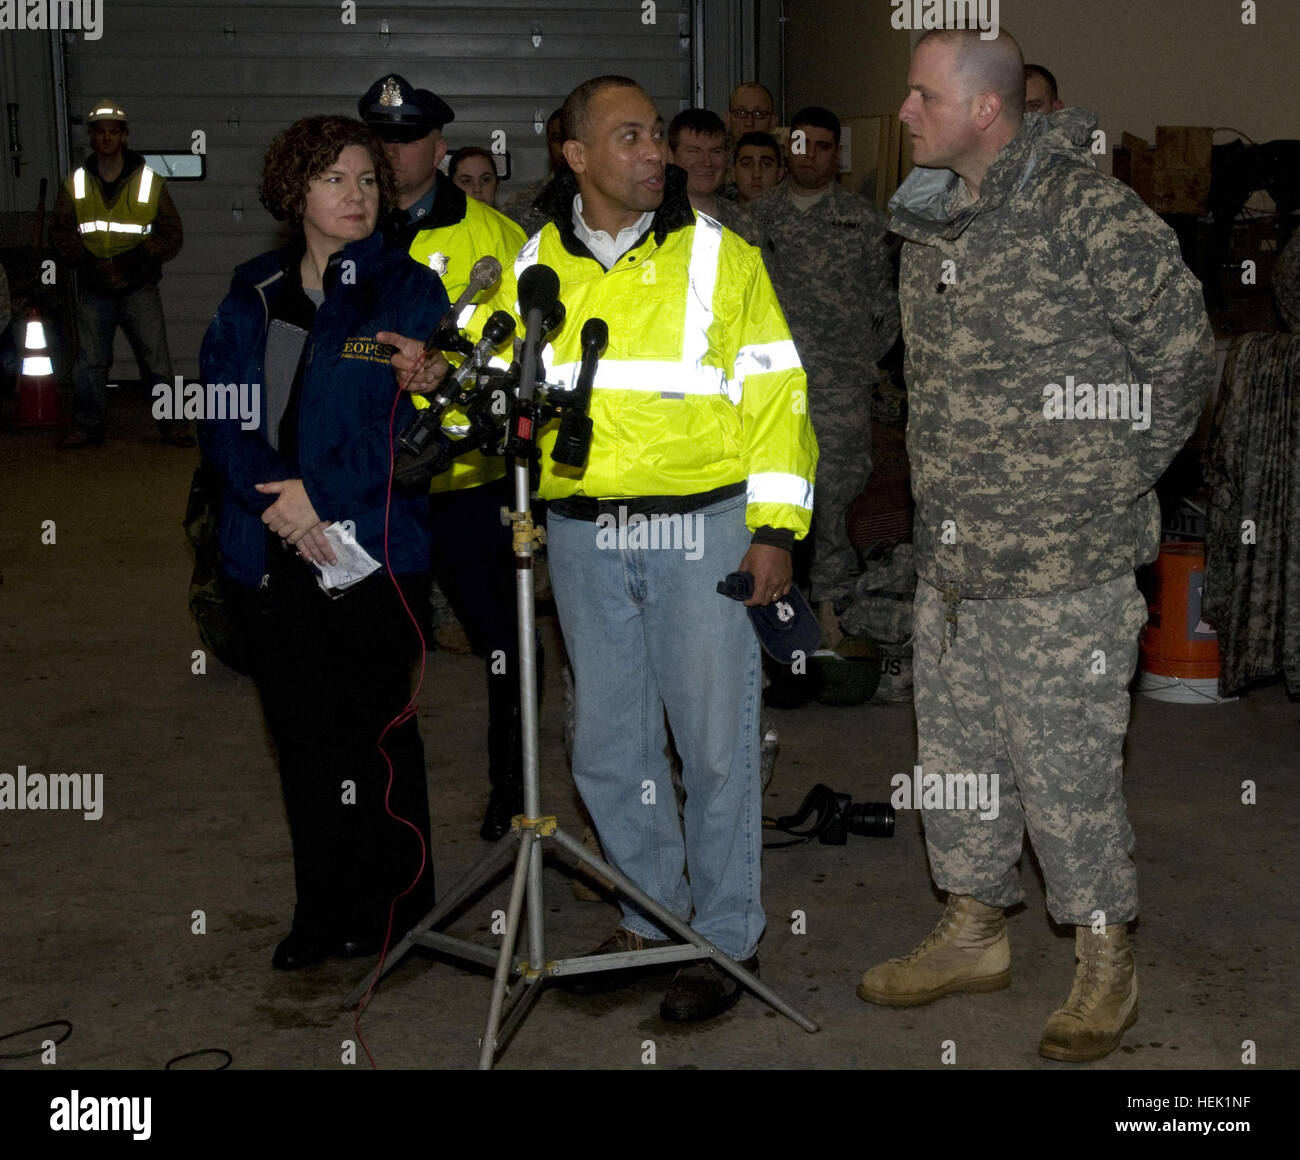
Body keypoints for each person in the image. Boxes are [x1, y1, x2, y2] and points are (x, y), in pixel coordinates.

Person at [856, 28, 1215, 1063]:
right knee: (956, 760)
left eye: (923, 97)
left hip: (1063, 566)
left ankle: (1105, 954)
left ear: (985, 110)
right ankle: (973, 926)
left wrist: (1106, 477)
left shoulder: (1084, 209)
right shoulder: (928, 219)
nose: (906, 114)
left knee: (1066, 770)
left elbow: (1182, 352)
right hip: (958, 559)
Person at [470, 75, 817, 1022]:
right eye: (630, 137)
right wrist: (431, 376)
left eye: (657, 134)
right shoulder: (534, 263)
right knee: (609, 746)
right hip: (582, 537)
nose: (657, 152)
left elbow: (778, 401)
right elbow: (482, 388)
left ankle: (726, 937)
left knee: (713, 746)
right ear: (575, 157)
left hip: (701, 530)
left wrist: (776, 532)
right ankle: (652, 915)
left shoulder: (724, 258)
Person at [197, 115, 451, 970]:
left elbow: (405, 430)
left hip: (371, 549)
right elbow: (224, 414)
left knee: (375, 736)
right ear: (293, 193)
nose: (357, 196)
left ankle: (398, 914)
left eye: (370, 181)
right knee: (303, 740)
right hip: (270, 549)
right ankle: (325, 912)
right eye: (335, 179)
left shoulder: (406, 293)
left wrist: (322, 498)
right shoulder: (255, 292)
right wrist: (282, 500)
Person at [358, 74, 530, 841]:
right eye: (381, 138)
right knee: (378, 649)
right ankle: (386, 808)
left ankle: (514, 786)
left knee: (504, 642)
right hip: (373, 480)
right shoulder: (348, 228)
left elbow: (521, 355)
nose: (393, 153)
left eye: (407, 137)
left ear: (438, 144)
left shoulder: (492, 238)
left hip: (466, 480)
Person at [749, 106, 899, 645]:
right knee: (766, 494)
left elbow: (888, 307)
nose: (809, 155)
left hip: (839, 388)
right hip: (768, 386)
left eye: (823, 146)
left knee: (835, 493)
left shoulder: (865, 222)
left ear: (837, 155)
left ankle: (831, 605)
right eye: (800, 143)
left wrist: (856, 361)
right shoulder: (755, 220)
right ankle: (765, 605)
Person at [49, 100, 189, 448]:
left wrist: (136, 260)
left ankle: (172, 425)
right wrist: (87, 261)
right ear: (92, 139)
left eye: (114, 132)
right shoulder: (76, 183)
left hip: (137, 284)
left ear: (123, 137)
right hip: (94, 287)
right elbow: (60, 231)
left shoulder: (148, 181)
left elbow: (171, 232)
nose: (107, 138)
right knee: (90, 362)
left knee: (156, 360)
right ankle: (87, 426)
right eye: (100, 132)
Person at [667, 108, 754, 239]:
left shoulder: (745, 223)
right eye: (694, 151)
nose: (707, 162)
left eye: (716, 151)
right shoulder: (651, 221)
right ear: (670, 155)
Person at [499, 107, 567, 236]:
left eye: (572, 138)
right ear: (548, 145)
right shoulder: (524, 204)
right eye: (558, 139)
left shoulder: (609, 199)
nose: (566, 147)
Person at [733, 131, 784, 206]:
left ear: (780, 173)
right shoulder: (717, 215)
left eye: (766, 165)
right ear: (733, 173)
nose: (756, 175)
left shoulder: (798, 216)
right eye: (746, 164)